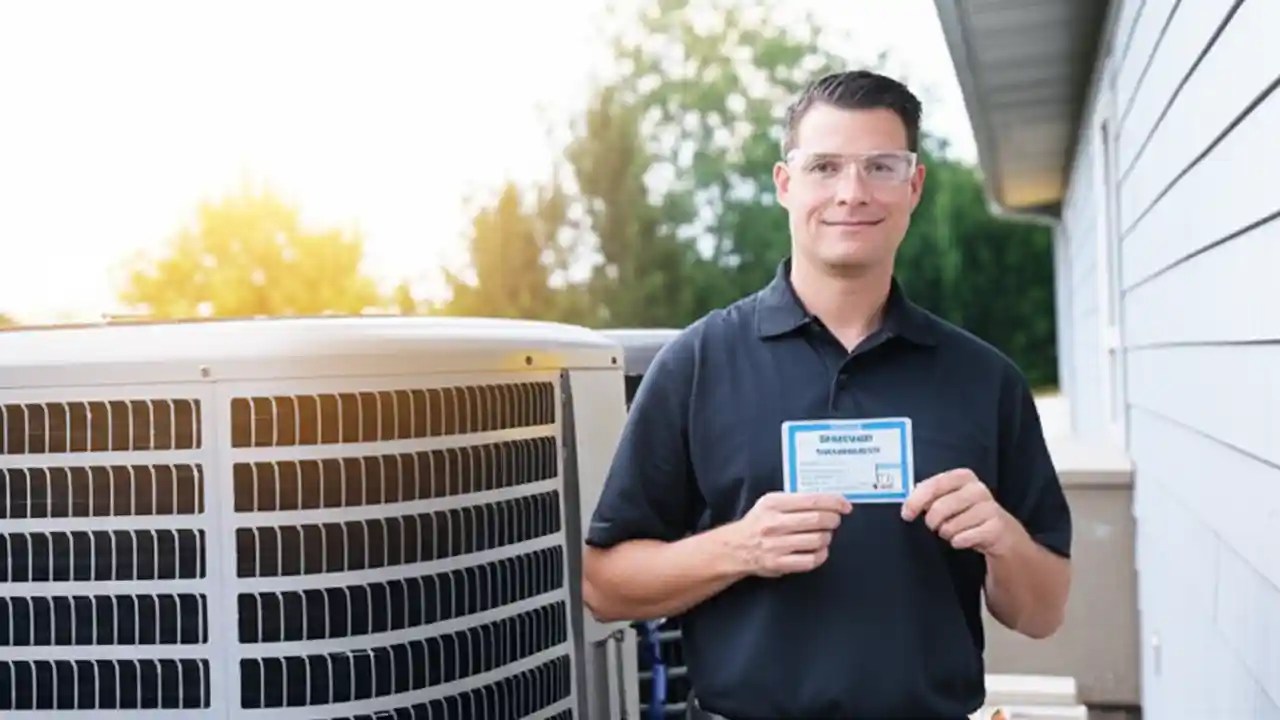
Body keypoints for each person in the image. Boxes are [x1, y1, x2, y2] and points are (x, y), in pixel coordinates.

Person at [581, 69, 1073, 719]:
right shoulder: (698, 364)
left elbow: (1043, 613)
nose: (852, 192)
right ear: (786, 185)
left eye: (880, 166)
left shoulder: (985, 381)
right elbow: (604, 585)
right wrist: (741, 547)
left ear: (913, 185)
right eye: (825, 167)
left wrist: (1003, 538)